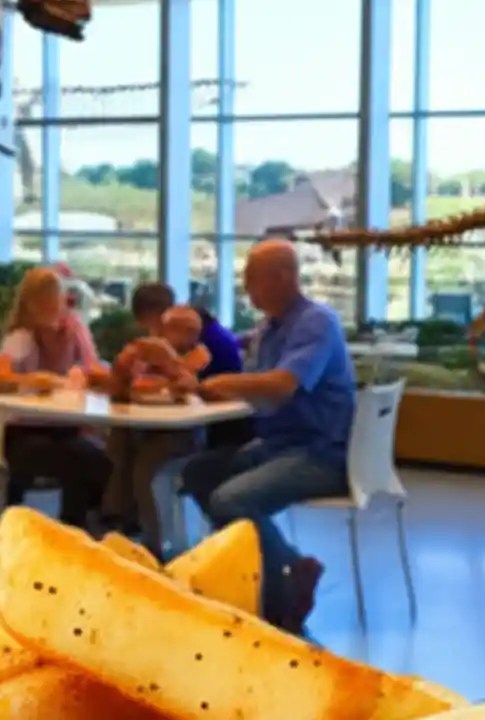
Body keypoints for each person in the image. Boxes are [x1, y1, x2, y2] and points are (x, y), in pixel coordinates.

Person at [181, 239, 355, 633]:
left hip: (320, 452)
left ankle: (289, 573)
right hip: (278, 445)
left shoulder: (315, 322)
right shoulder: (269, 328)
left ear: (283, 277)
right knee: (198, 473)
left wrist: (222, 383)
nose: (246, 287)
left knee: (230, 499)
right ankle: (257, 571)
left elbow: (282, 385)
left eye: (252, 277)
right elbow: (242, 366)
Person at [0, 267, 112, 529]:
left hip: (68, 428)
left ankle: (80, 525)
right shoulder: (22, 337)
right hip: (26, 433)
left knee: (99, 458)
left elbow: (92, 367)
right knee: (79, 459)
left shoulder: (74, 330)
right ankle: (72, 527)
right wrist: (32, 380)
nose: (53, 307)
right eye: (45, 301)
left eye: (55, 299)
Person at [101, 307, 211, 557]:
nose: (180, 335)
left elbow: (190, 388)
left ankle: (156, 542)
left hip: (182, 432)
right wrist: (122, 367)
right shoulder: (145, 354)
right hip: (143, 427)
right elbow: (119, 392)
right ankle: (118, 521)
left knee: (147, 465)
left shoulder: (199, 356)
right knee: (118, 443)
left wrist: (170, 363)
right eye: (171, 327)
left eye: (189, 330)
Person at [130, 282, 253, 449]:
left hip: (218, 428)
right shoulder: (198, 326)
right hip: (206, 416)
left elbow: (171, 383)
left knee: (143, 442)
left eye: (151, 327)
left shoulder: (193, 338)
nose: (154, 335)